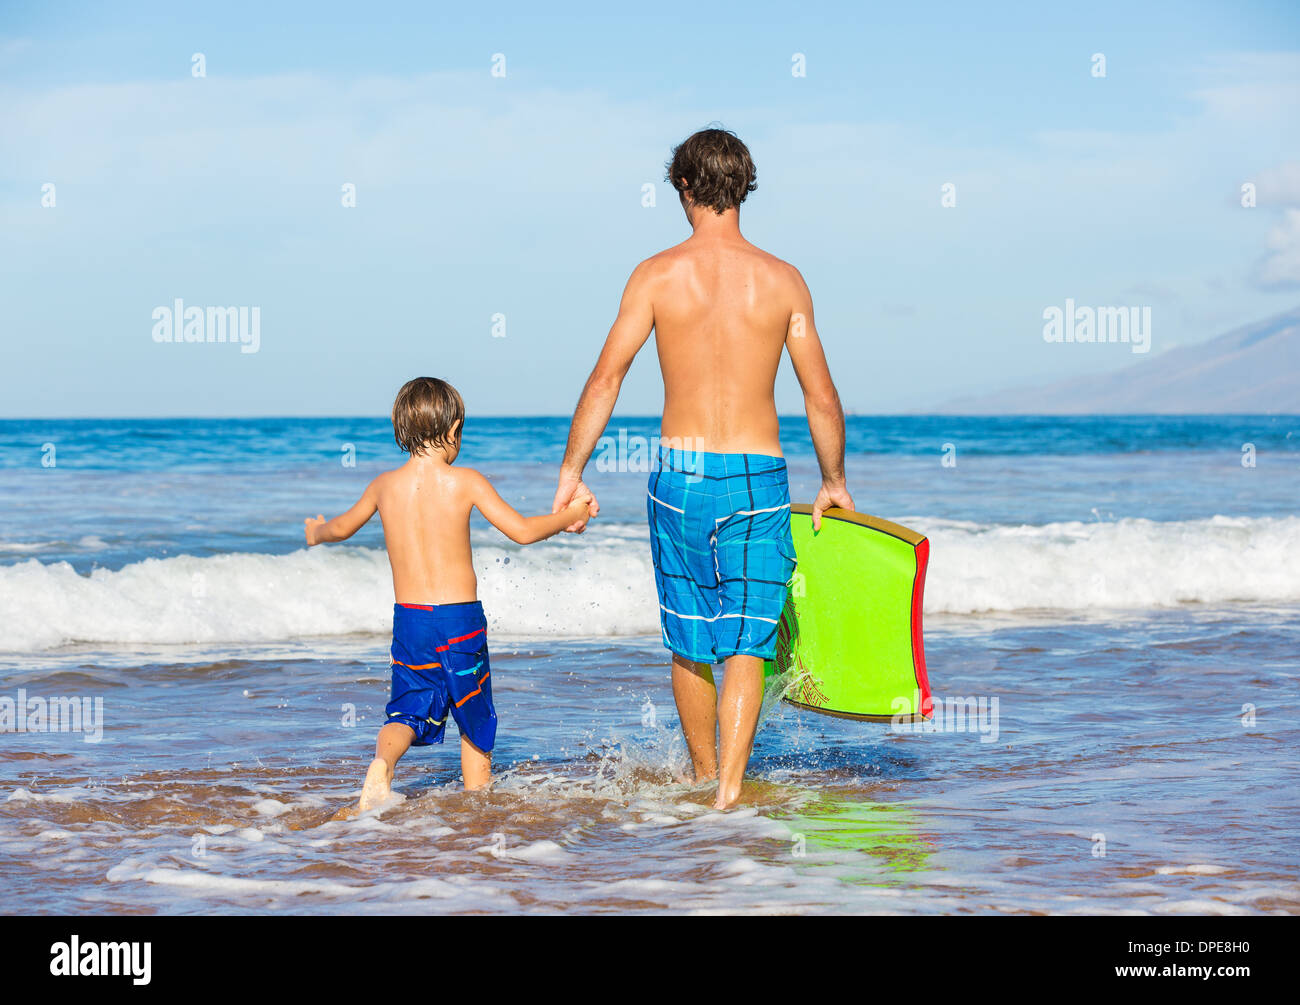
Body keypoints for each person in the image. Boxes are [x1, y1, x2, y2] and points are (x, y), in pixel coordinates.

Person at [552, 127, 853, 809]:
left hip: (679, 474)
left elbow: (607, 378)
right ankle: (727, 793)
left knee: (689, 633)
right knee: (746, 636)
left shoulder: (656, 275)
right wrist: (833, 482)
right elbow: (820, 396)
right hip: (756, 471)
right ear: (743, 187)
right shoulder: (783, 282)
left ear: (684, 187)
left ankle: (697, 775)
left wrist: (572, 470)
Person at [306, 376, 591, 812]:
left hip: (411, 619)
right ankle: (478, 806)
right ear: (454, 429)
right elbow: (523, 531)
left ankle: (382, 765)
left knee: (406, 709)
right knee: (473, 715)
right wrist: (570, 514)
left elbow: (341, 528)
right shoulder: (465, 481)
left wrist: (316, 532)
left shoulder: (383, 486)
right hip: (459, 622)